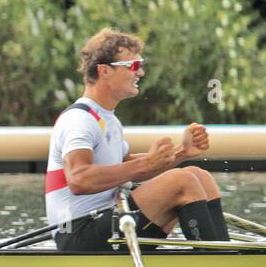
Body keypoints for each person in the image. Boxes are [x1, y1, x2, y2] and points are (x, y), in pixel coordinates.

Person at [46, 28, 224, 251]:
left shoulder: (106, 118)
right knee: (182, 181)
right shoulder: (78, 119)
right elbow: (78, 179)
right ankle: (214, 265)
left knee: (198, 175)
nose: (140, 73)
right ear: (104, 71)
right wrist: (147, 162)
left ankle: (223, 253)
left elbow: (126, 167)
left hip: (111, 223)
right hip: (78, 234)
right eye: (133, 66)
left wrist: (182, 153)